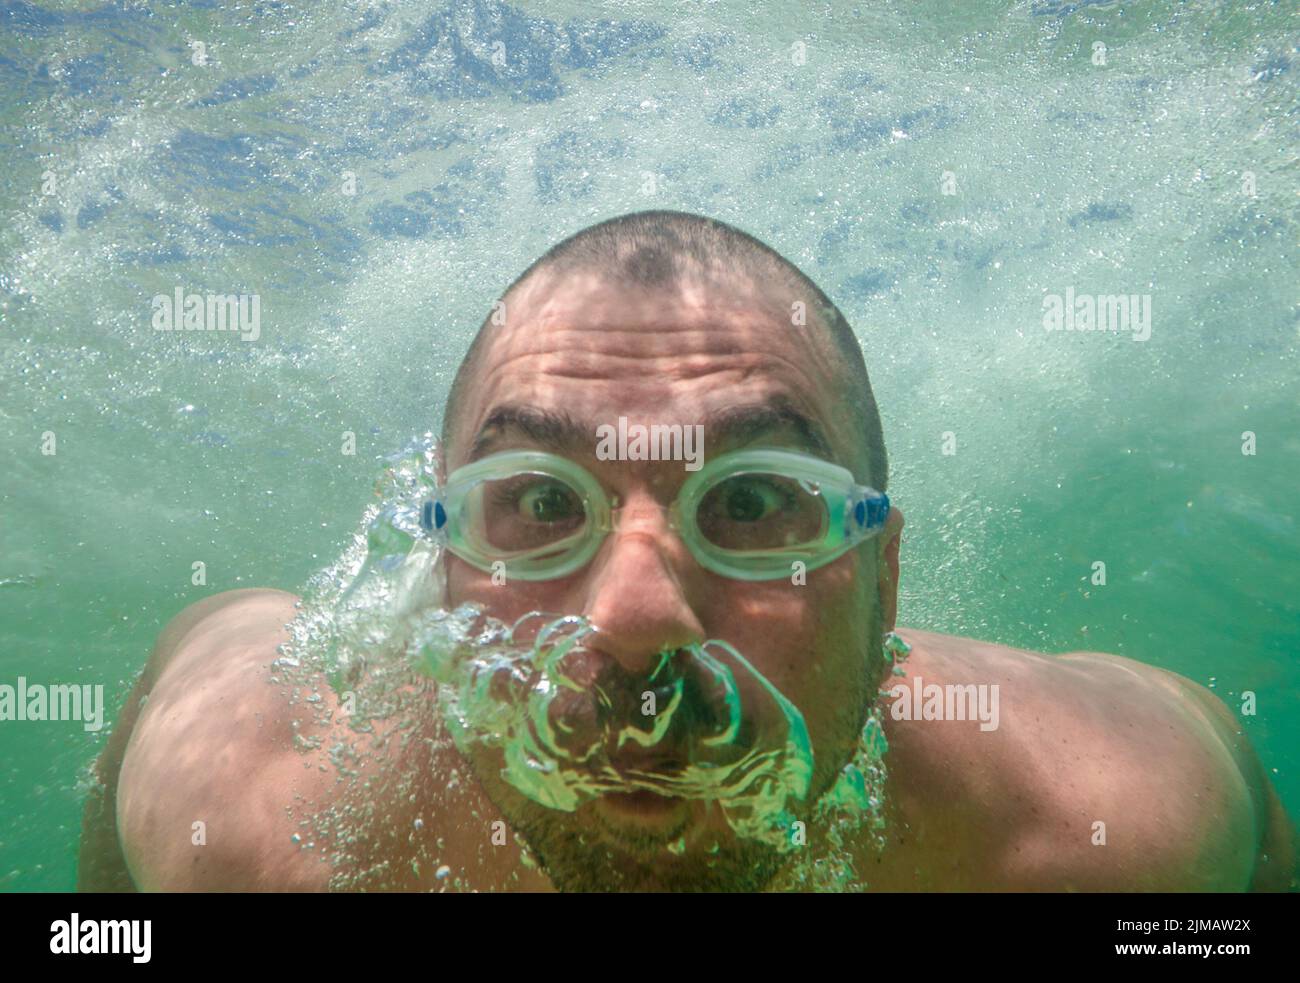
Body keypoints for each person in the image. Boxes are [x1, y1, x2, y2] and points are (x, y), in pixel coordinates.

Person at [79, 211, 1295, 892]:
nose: (634, 614)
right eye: (541, 503)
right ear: (437, 570)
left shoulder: (1115, 834)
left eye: (757, 500)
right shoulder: (242, 817)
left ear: (886, 581)